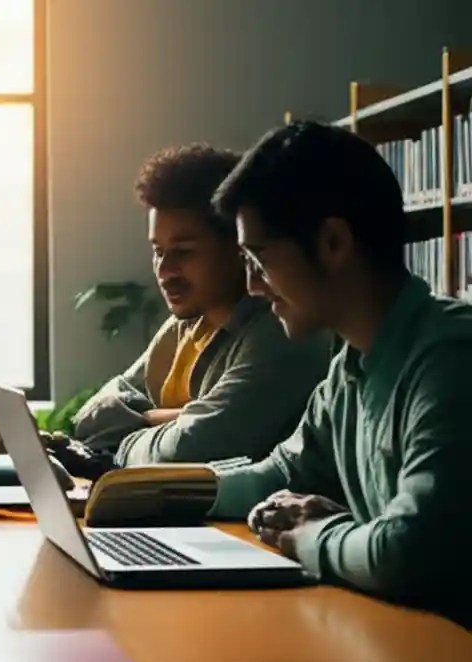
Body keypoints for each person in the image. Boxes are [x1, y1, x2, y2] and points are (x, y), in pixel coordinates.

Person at [209, 121, 472, 625]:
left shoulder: (451, 357)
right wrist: (137, 493)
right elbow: (281, 474)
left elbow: (406, 549)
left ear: (332, 242)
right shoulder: (349, 369)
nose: (252, 286)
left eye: (258, 260)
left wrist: (311, 535)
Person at [69, 144, 331, 470]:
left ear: (238, 248)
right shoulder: (184, 325)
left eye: (184, 252)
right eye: (158, 251)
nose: (164, 271)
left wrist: (128, 439)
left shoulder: (281, 331)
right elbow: (88, 420)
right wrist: (165, 418)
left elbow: (190, 449)